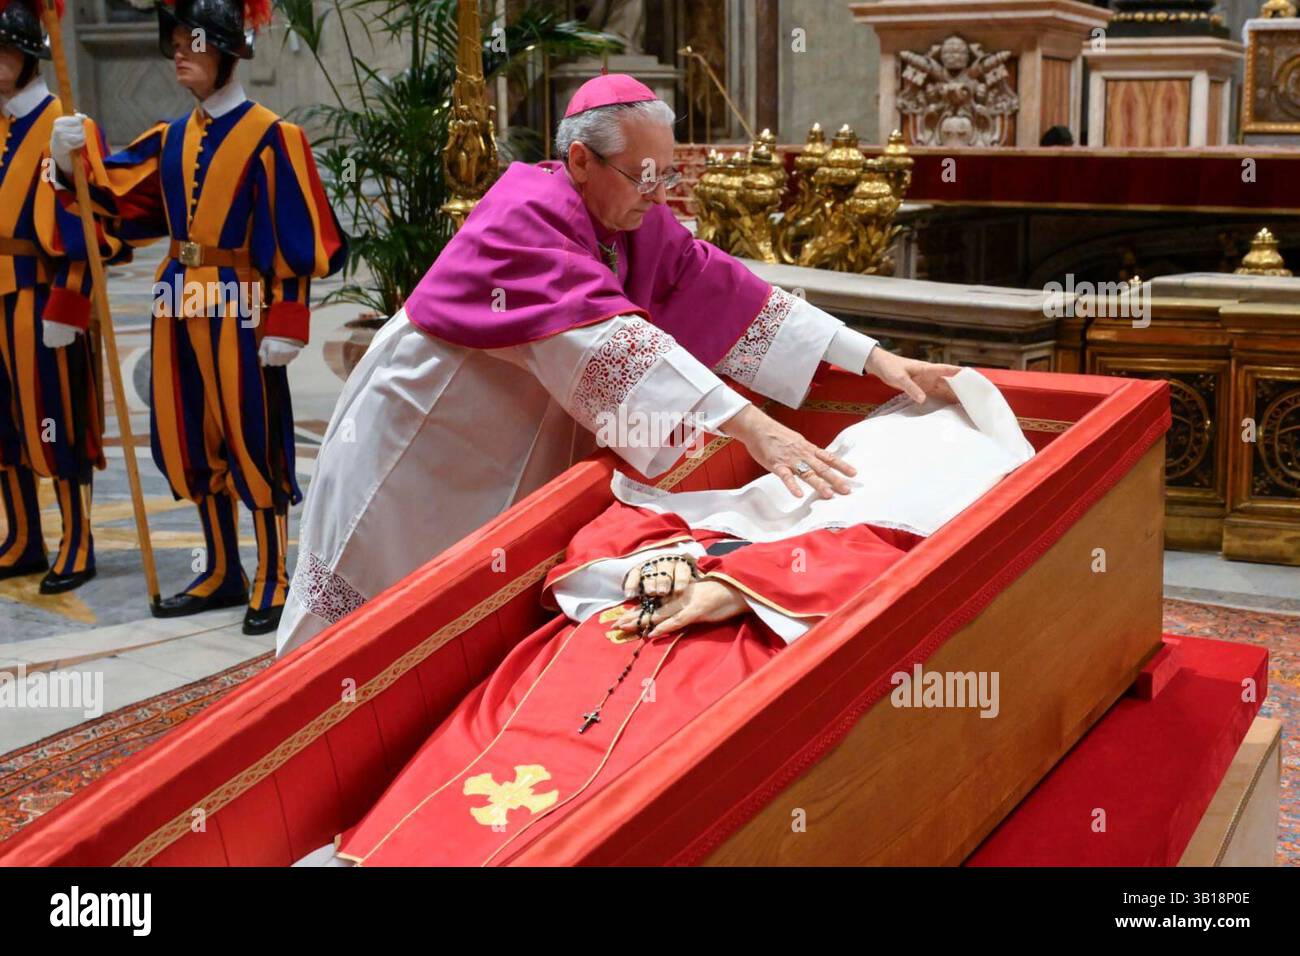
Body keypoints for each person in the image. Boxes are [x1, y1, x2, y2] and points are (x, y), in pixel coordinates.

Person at [277, 73, 959, 657]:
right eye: (642, 177)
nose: (658, 195)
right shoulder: (524, 217)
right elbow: (612, 345)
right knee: (356, 615)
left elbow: (729, 292)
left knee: (458, 616)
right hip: (420, 446)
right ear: (580, 161)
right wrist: (753, 427)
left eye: (667, 176)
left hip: (503, 448)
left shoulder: (628, 218)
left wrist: (870, 355)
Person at [291, 367, 1035, 866]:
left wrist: (740, 586)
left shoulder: (915, 523)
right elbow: (620, 530)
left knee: (638, 770)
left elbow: (889, 577)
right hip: (625, 624)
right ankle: (386, 850)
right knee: (505, 732)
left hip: (745, 644)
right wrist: (662, 559)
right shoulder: (785, 490)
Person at [47, 0, 346, 633]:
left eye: (193, 42)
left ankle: (273, 573)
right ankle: (221, 570)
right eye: (175, 42)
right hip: (178, 300)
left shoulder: (273, 136)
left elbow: (295, 227)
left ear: (227, 50)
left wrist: (288, 318)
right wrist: (69, 160)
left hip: (241, 302)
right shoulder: (170, 137)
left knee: (252, 437)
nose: (180, 53)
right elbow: (118, 198)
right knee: (190, 436)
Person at [0, 0, 118, 593]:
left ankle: (77, 539)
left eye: (4, 48)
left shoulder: (66, 124)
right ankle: (22, 535)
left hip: (41, 296)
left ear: (29, 54)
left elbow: (93, 229)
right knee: (4, 425)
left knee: (57, 421)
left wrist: (69, 305)